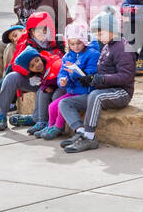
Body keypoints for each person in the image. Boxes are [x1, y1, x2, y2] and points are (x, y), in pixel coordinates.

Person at [56, 8, 135, 153]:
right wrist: (87, 77)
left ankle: (90, 137)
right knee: (65, 102)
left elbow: (126, 76)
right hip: (103, 89)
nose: (98, 37)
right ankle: (80, 132)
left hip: (121, 92)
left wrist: (99, 79)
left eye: (101, 33)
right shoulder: (107, 46)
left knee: (95, 96)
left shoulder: (123, 47)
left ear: (112, 29)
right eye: (97, 34)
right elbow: (101, 70)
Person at [37, 31, 100, 140]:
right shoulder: (68, 56)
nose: (76, 47)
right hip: (73, 91)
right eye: (72, 44)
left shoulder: (92, 54)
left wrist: (75, 71)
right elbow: (62, 73)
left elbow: (90, 74)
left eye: (78, 43)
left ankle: (58, 127)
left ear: (84, 42)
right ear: (68, 44)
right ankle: (50, 126)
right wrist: (62, 82)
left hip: (86, 91)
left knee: (63, 105)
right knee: (52, 106)